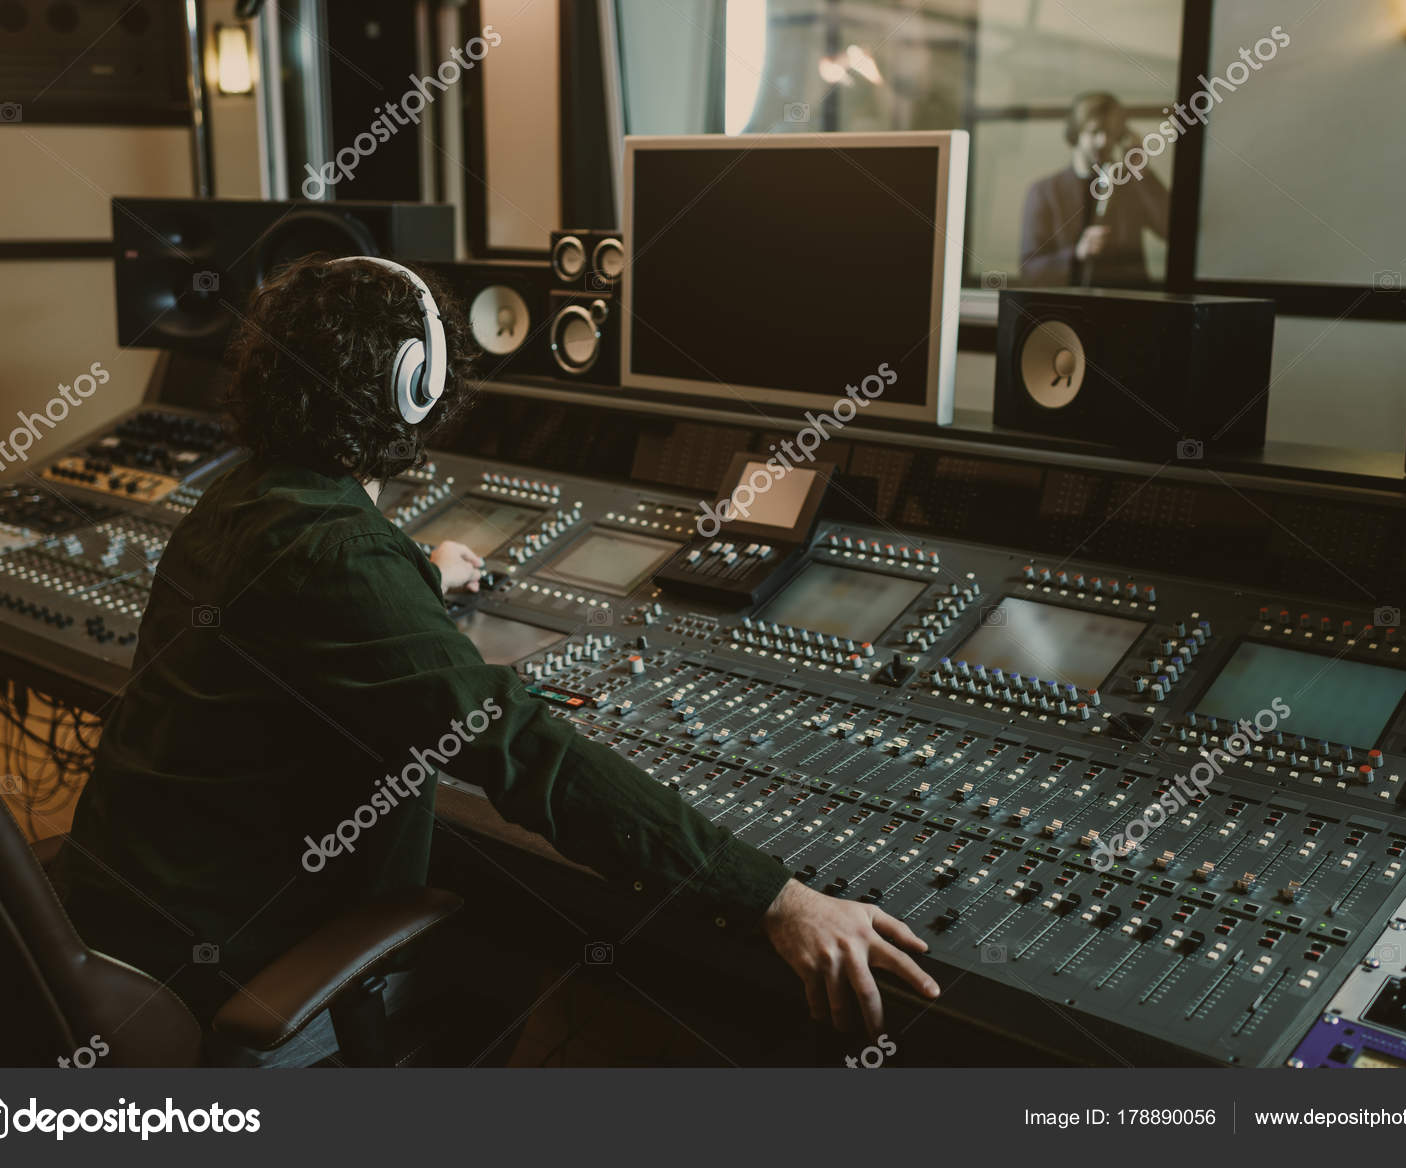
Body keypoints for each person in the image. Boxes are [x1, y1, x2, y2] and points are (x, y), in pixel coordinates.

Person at [57, 254, 939, 1065]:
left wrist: (415, 575)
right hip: (234, 972)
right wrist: (775, 898)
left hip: (113, 929)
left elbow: (315, 614)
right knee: (516, 945)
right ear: (417, 389)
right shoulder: (336, 557)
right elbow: (523, 754)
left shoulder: (236, 499)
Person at [1019, 91, 1168, 288]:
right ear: (1076, 133)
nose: (1103, 142)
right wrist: (1077, 254)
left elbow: (1169, 229)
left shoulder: (1132, 184)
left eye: (1111, 133)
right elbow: (1030, 270)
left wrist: (1141, 169)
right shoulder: (1044, 192)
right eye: (1094, 132)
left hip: (1130, 306)